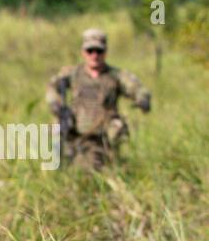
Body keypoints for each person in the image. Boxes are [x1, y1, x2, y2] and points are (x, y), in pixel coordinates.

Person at [45, 28, 151, 170]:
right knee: (55, 129)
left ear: (105, 52)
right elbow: (53, 86)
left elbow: (139, 89)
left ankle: (112, 161)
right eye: (90, 51)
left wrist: (142, 99)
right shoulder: (73, 73)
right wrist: (56, 104)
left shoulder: (115, 75)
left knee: (115, 131)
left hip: (103, 132)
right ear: (83, 52)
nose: (94, 55)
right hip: (76, 128)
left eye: (98, 51)